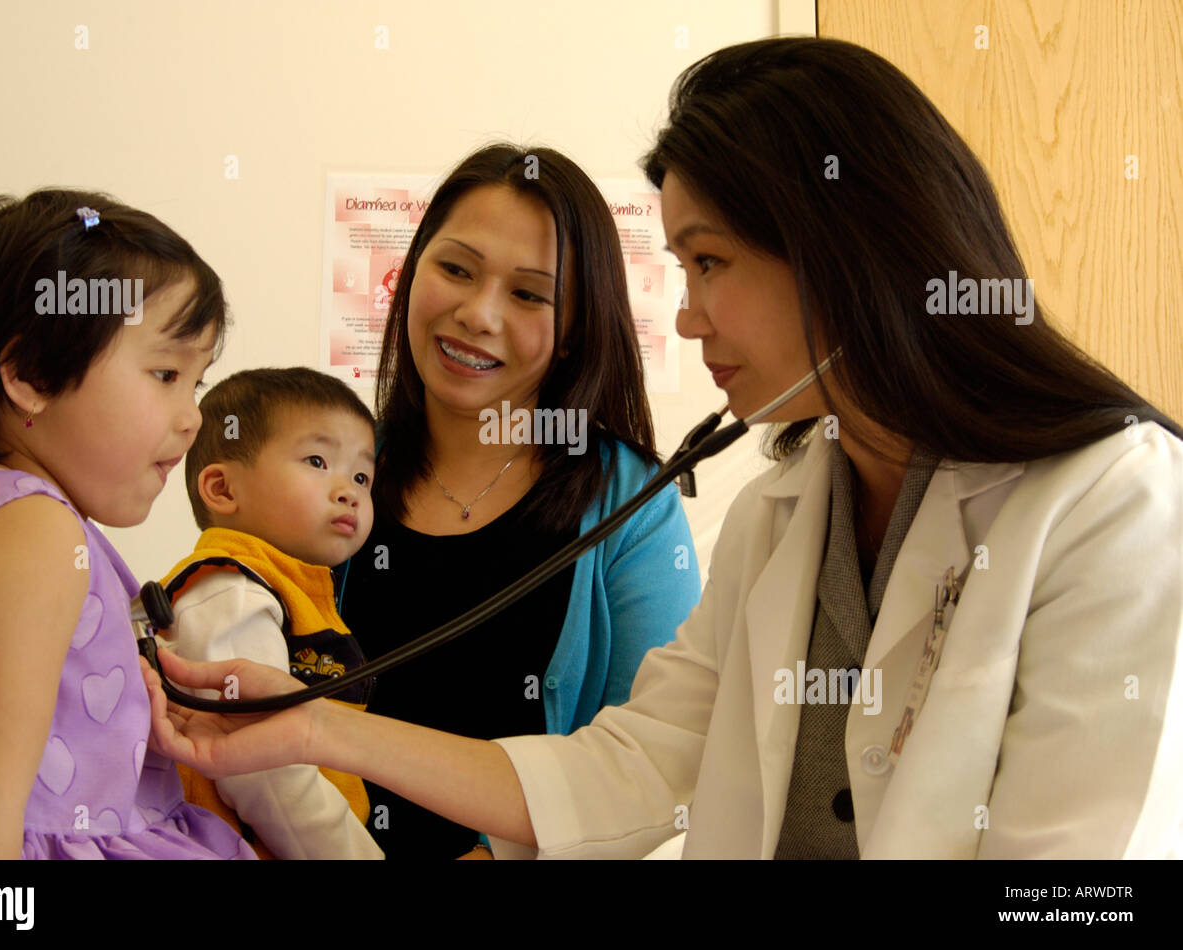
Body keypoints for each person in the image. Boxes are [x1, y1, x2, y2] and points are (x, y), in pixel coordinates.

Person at [141, 38, 1183, 859]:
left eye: (708, 262)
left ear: (844, 251)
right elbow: (627, 767)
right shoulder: (781, 518)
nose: (685, 322)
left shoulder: (1111, 502)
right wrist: (312, 726)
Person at [335, 143, 703, 858]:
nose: (478, 314)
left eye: (529, 294)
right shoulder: (339, 470)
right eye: (456, 270)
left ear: (574, 332)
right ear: (409, 276)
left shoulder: (633, 503)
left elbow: (658, 760)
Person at [0, 189, 254, 859]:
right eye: (166, 373)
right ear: (30, 374)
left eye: (196, 384)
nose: (192, 416)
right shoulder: (32, 532)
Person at [156, 367, 383, 859]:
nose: (350, 491)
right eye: (318, 460)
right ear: (223, 490)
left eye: (362, 475)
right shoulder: (231, 592)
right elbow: (266, 770)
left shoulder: (290, 590)